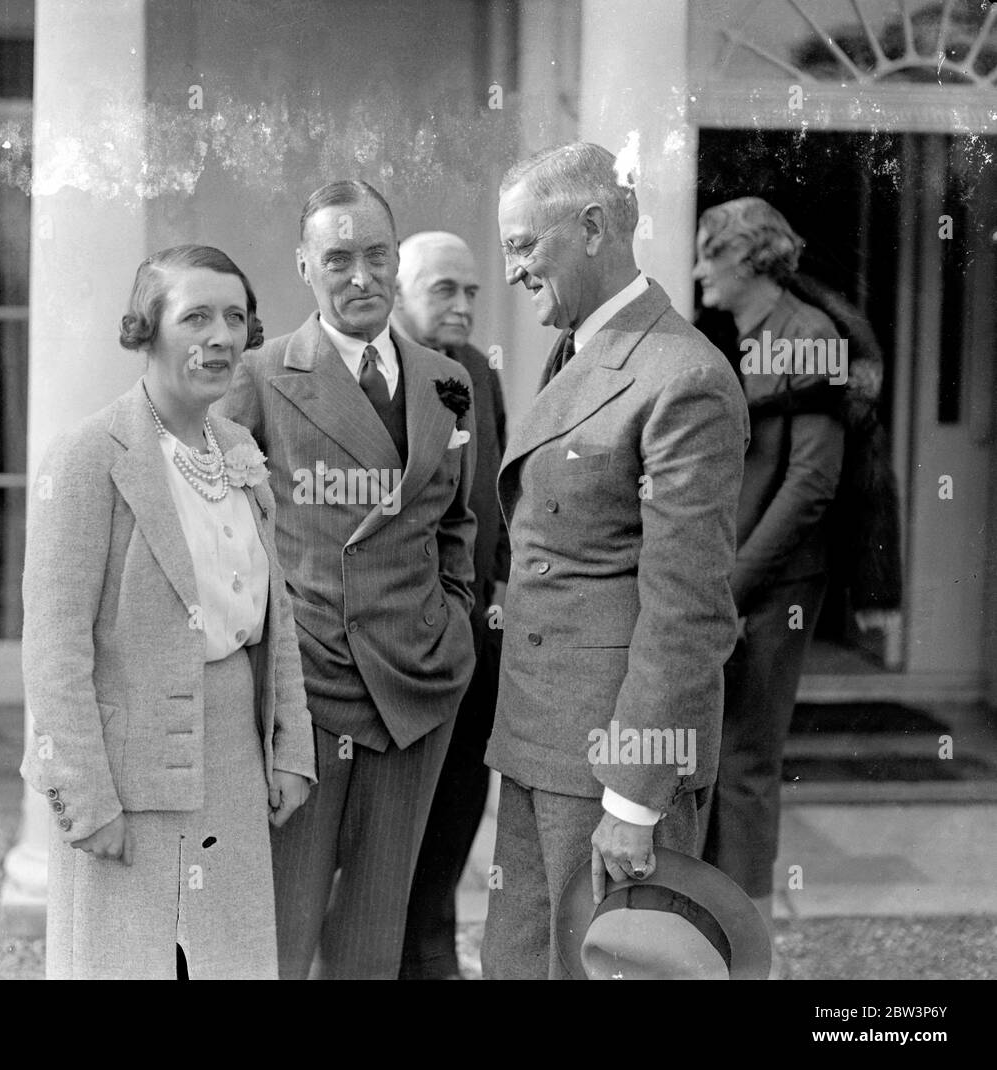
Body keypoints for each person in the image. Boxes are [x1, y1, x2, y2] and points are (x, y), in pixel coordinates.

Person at [482, 143, 749, 980]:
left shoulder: (683, 376)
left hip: (611, 764)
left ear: (593, 226)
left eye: (525, 244)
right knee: (521, 967)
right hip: (539, 744)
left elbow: (688, 609)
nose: (514, 269)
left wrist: (634, 799)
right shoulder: (580, 350)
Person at [19, 244, 316, 980]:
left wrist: (292, 746)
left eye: (236, 318)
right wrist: (86, 801)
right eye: (196, 317)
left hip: (233, 764)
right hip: (125, 777)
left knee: (225, 965)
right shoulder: (88, 456)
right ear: (145, 331)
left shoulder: (239, 447)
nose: (220, 337)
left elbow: (273, 614)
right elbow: (54, 651)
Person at [218, 181, 478, 979]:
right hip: (310, 691)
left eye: (375, 255)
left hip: (417, 683)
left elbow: (457, 523)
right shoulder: (260, 375)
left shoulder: (445, 378)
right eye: (338, 258)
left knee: (373, 933)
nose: (360, 277)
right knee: (283, 929)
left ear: (396, 262)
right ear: (305, 265)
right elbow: (225, 532)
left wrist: (455, 621)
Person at [692, 197, 846, 935]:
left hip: (773, 584)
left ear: (751, 258)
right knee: (716, 764)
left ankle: (746, 950)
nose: (697, 271)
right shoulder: (744, 334)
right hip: (736, 578)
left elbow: (810, 484)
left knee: (746, 767)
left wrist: (734, 584)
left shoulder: (807, 336)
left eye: (709, 254)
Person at [390, 231, 510, 980]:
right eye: (444, 290)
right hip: (403, 638)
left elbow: (492, 493)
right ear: (401, 292)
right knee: (402, 820)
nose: (463, 304)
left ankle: (435, 949)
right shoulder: (381, 379)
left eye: (470, 290)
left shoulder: (475, 374)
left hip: (477, 627)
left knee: (463, 799)